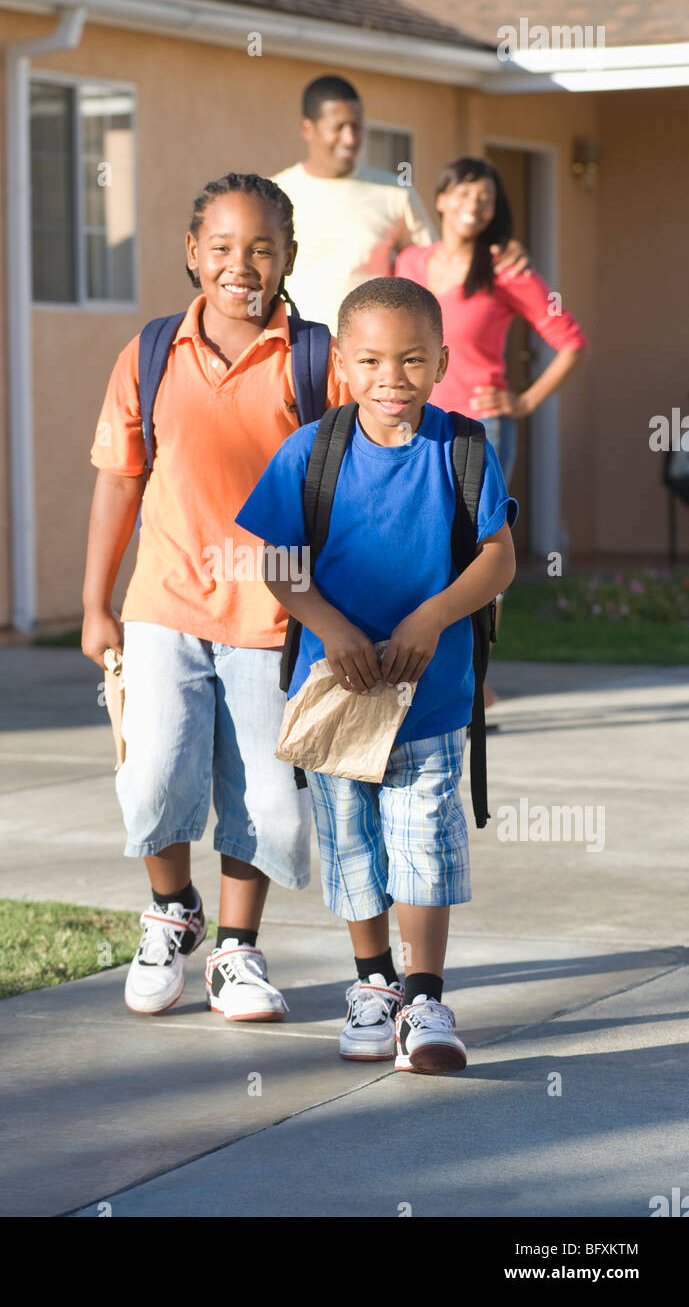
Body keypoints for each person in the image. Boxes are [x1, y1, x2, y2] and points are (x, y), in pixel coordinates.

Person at [235, 276, 518, 1073]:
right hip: (338, 698)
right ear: (343, 368)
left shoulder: (462, 449)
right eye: (370, 361)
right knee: (352, 849)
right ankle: (373, 985)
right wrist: (328, 626)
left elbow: (498, 558)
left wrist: (431, 617)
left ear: (440, 363)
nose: (391, 378)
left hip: (428, 699)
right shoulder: (311, 453)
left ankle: (425, 999)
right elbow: (279, 561)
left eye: (412, 361)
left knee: (423, 840)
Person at [81, 172, 344, 1023]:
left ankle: (235, 950)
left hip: (275, 620)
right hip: (163, 604)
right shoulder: (151, 352)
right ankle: (171, 911)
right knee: (154, 779)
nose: (242, 265)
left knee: (266, 803)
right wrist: (95, 603)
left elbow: (363, 473)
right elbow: (120, 483)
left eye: (262, 248)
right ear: (192, 254)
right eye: (223, 248)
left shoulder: (318, 360)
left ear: (289, 257)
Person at [394, 157, 587, 704]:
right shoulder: (411, 260)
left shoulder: (506, 268)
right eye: (464, 194)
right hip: (414, 424)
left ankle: (475, 678)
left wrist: (524, 399)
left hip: (481, 431)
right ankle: (428, 662)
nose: (474, 207)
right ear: (441, 198)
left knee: (482, 552)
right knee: (422, 545)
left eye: (486, 199)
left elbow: (570, 340)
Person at [272, 75, 527, 332]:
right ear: (308, 129)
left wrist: (501, 249)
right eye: (339, 127)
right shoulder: (276, 195)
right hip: (296, 349)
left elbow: (439, 262)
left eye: (357, 127)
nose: (350, 138)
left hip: (369, 356)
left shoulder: (394, 192)